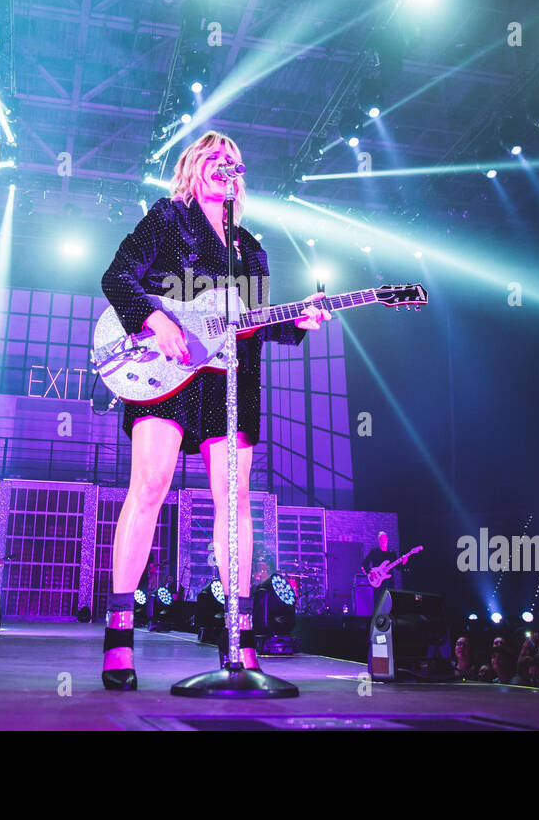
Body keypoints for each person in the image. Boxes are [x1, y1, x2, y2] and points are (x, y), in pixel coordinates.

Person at [98, 130, 331, 690]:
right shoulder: (167, 217)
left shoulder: (250, 247)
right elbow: (117, 277)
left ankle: (241, 638)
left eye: (232, 161)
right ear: (193, 168)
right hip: (164, 367)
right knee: (149, 488)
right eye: (212, 158)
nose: (224, 165)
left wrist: (297, 322)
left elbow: (250, 324)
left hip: (232, 379)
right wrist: (156, 321)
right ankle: (119, 636)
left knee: (237, 505)